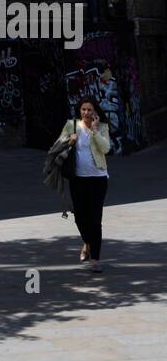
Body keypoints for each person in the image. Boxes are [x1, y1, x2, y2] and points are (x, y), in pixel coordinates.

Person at [58, 98, 110, 272]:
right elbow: (58, 146)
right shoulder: (71, 125)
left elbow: (106, 149)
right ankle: (87, 242)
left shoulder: (102, 127)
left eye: (89, 110)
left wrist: (95, 131)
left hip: (98, 178)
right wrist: (70, 141)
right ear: (79, 111)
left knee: (95, 219)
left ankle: (95, 259)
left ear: (95, 111)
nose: (86, 113)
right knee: (80, 217)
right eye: (83, 109)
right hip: (78, 179)